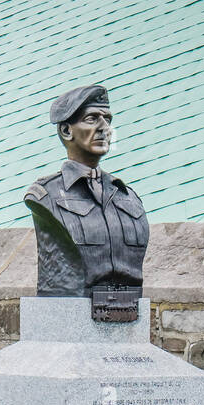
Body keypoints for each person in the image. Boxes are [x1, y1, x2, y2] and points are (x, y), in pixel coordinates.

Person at [24, 85, 148, 322]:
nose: (104, 128)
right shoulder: (44, 195)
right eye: (92, 119)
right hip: (69, 315)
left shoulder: (127, 195)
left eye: (107, 119)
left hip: (125, 309)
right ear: (67, 131)